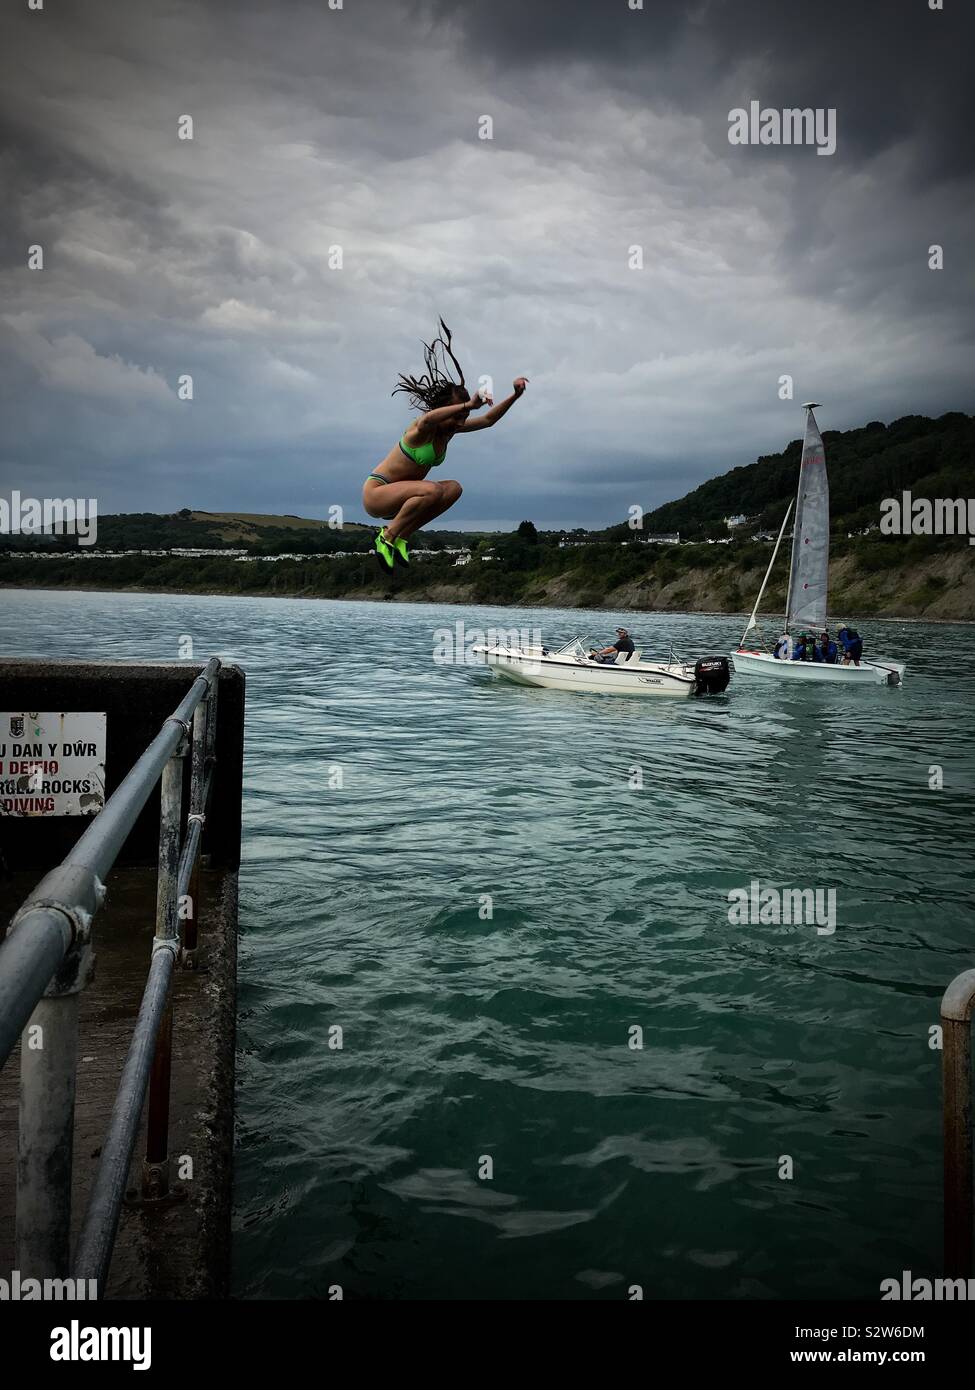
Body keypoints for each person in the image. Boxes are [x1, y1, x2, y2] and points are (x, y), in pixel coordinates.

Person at [362, 319, 528, 571]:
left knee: (453, 489)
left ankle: (402, 536)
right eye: (456, 415)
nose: (460, 422)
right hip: (378, 494)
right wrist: (468, 406)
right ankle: (385, 537)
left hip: (405, 498)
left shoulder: (450, 431)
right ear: (443, 410)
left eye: (463, 418)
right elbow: (429, 417)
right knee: (431, 489)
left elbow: (488, 420)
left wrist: (515, 395)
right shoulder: (420, 429)